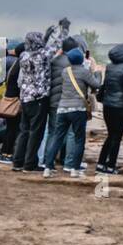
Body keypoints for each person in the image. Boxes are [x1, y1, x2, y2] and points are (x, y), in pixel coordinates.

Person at [42, 42, 102, 177]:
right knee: (79, 138)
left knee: (57, 137)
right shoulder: (84, 72)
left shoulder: (65, 71)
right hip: (78, 109)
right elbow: (96, 84)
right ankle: (74, 169)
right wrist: (97, 71)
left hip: (62, 108)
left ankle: (48, 167)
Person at [11, 31, 52, 172]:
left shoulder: (24, 56)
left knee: (24, 130)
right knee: (36, 132)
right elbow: (50, 49)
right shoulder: (43, 56)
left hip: (25, 97)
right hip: (39, 98)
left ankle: (17, 161)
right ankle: (30, 164)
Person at [96, 42, 123, 174]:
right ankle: (110, 165)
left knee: (110, 135)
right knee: (116, 137)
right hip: (121, 106)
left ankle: (101, 163)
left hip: (108, 105)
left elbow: (106, 85)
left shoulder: (109, 67)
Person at [0, 42, 22, 164]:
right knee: (14, 129)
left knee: (10, 128)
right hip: (15, 100)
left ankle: (3, 152)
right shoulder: (20, 65)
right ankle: (7, 154)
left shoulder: (14, 64)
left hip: (9, 98)